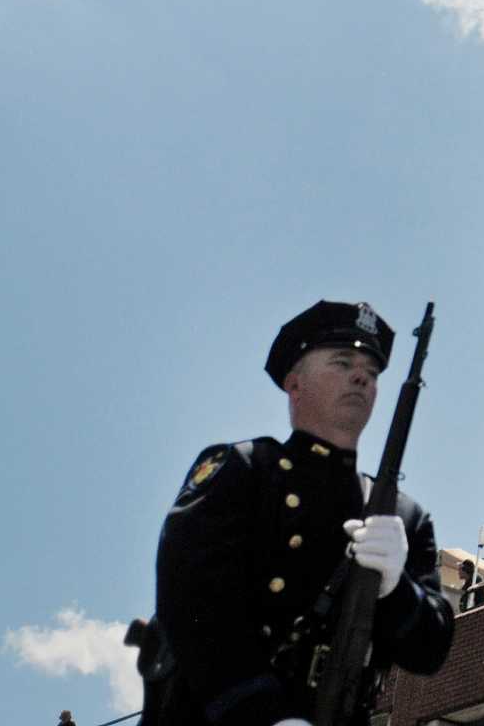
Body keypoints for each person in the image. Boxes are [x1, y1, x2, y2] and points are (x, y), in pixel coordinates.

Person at [138, 300, 454, 726]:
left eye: (372, 372)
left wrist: (396, 589)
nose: (361, 375)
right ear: (294, 384)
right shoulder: (245, 471)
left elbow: (429, 651)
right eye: (342, 362)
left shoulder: (404, 517)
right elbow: (194, 605)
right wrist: (266, 716)